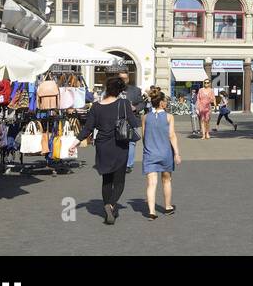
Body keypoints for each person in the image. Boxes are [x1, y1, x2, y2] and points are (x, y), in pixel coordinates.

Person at [74, 76, 140, 224]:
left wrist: (76, 142)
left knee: (107, 179)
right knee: (119, 180)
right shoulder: (124, 103)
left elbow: (88, 128)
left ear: (107, 89)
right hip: (120, 145)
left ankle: (108, 206)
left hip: (103, 146)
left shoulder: (96, 106)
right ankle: (111, 204)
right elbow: (134, 123)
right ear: (120, 90)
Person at [140, 90, 180, 219]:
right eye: (166, 101)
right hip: (165, 153)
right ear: (162, 103)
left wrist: (148, 147)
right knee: (166, 180)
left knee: (152, 183)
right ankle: (168, 206)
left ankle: (152, 211)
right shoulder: (169, 117)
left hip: (150, 153)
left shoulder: (145, 117)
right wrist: (177, 153)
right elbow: (171, 135)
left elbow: (143, 136)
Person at [118, 70, 145, 173]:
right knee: (118, 143)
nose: (123, 80)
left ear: (128, 79)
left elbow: (142, 103)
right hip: (117, 120)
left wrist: (135, 108)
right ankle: (119, 163)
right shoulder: (113, 90)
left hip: (132, 119)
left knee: (131, 143)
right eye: (121, 78)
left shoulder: (135, 90)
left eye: (125, 78)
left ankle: (129, 165)